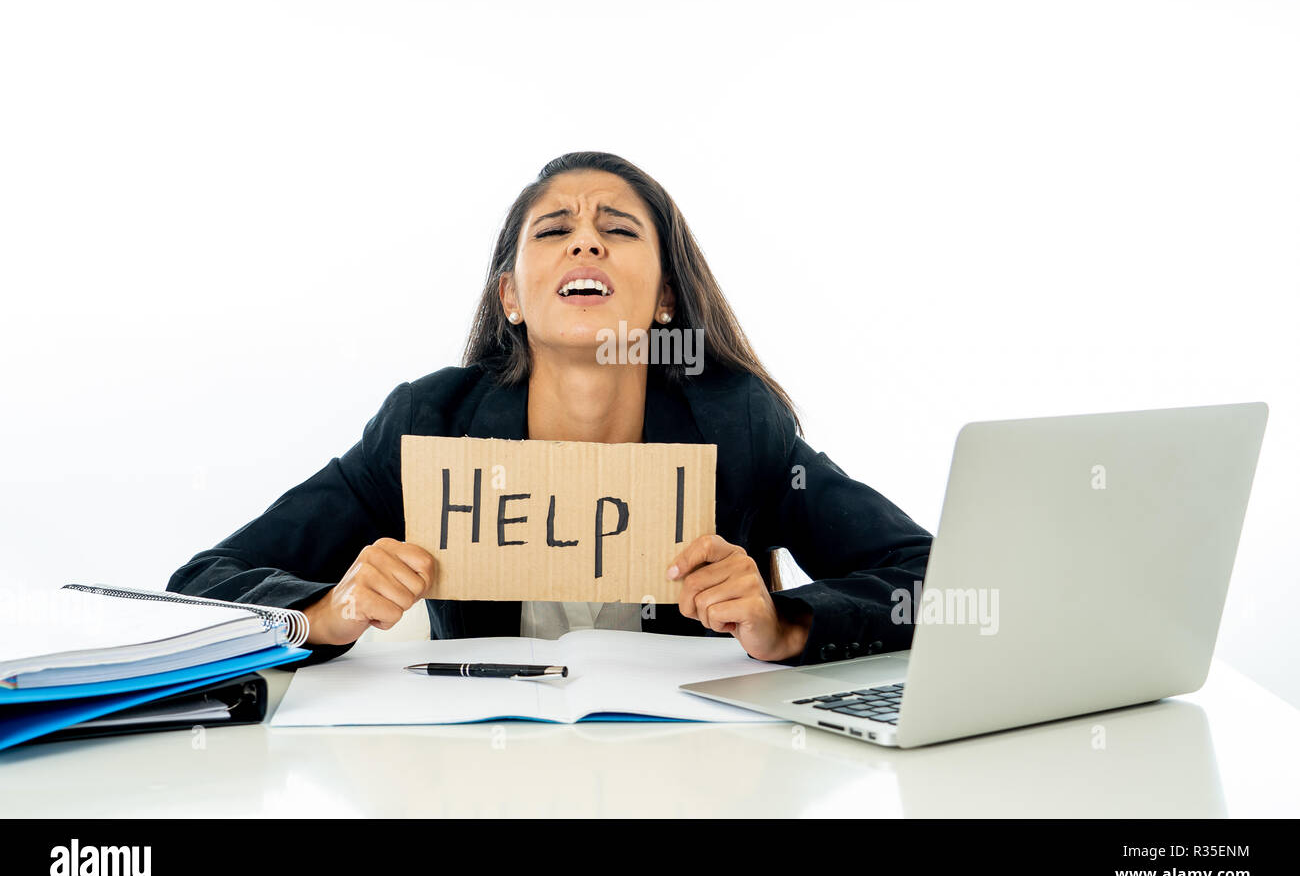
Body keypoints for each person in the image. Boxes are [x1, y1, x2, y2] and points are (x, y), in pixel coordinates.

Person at [167, 151, 933, 669]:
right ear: (511, 295)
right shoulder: (427, 423)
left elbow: (930, 574)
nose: (587, 245)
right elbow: (199, 584)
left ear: (666, 298)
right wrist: (322, 613)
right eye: (556, 230)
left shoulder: (738, 425)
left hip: (690, 781)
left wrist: (786, 621)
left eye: (618, 230)